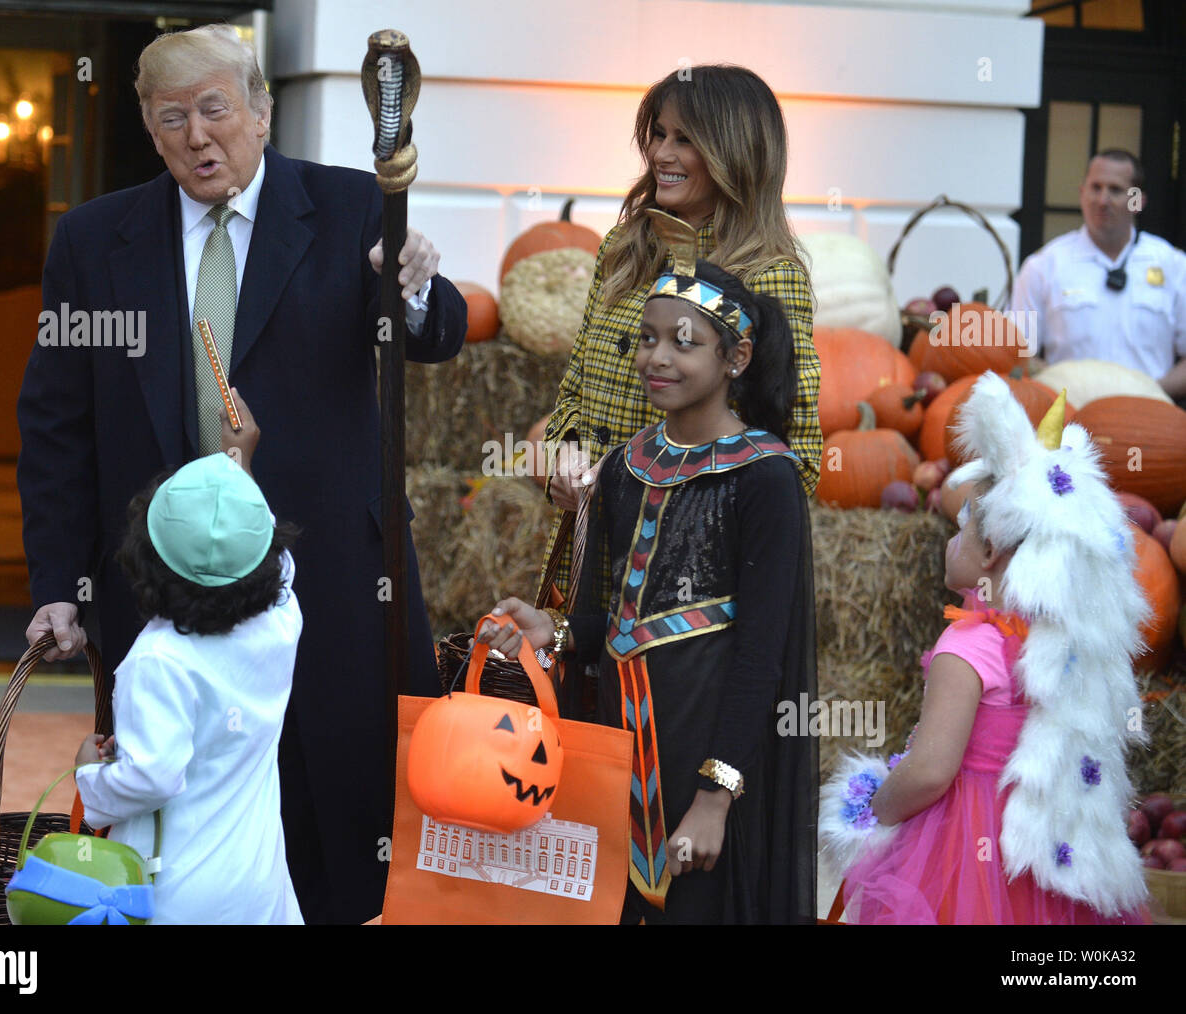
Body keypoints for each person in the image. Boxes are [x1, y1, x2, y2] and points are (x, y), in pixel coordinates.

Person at [17, 24, 467, 923]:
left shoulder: (350, 209)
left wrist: (410, 284)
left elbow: (440, 334)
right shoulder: (95, 240)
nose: (197, 137)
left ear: (262, 113)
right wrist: (60, 583)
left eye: (215, 109)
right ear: (148, 129)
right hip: (161, 588)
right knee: (174, 818)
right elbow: (57, 425)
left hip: (333, 583)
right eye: (171, 117)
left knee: (341, 813)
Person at [477, 210, 817, 924]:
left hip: (710, 746)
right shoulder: (628, 468)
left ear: (736, 359)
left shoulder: (765, 477)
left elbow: (762, 654)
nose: (656, 358)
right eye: (647, 340)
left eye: (682, 343)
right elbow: (624, 622)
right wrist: (557, 630)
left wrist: (716, 795)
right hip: (624, 746)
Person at [822, 371, 1150, 924]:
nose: (951, 539)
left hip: (968, 849)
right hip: (1039, 849)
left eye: (962, 527)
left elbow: (930, 770)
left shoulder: (966, 645)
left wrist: (874, 809)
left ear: (993, 549)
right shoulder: (1057, 641)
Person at [540, 64, 822, 611]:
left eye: (685, 139)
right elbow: (573, 391)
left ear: (735, 153)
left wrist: (646, 493)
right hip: (586, 566)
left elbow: (795, 456)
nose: (662, 154)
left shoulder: (768, 275)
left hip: (683, 586)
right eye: (659, 134)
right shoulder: (623, 248)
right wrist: (566, 457)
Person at [73, 396, 302, 924]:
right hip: (257, 883)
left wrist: (90, 778)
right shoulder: (280, 623)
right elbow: (265, 550)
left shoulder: (158, 658)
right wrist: (237, 462)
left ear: (145, 559)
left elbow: (151, 777)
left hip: (173, 889)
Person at [1011, 149, 1186, 398]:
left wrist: (1150, 394)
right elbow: (1017, 353)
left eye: (1115, 190)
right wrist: (1063, 389)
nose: (1103, 200)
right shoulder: (1042, 267)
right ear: (1082, 194)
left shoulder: (1174, 266)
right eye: (1095, 188)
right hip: (1068, 420)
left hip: (1151, 420)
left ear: (1137, 201)